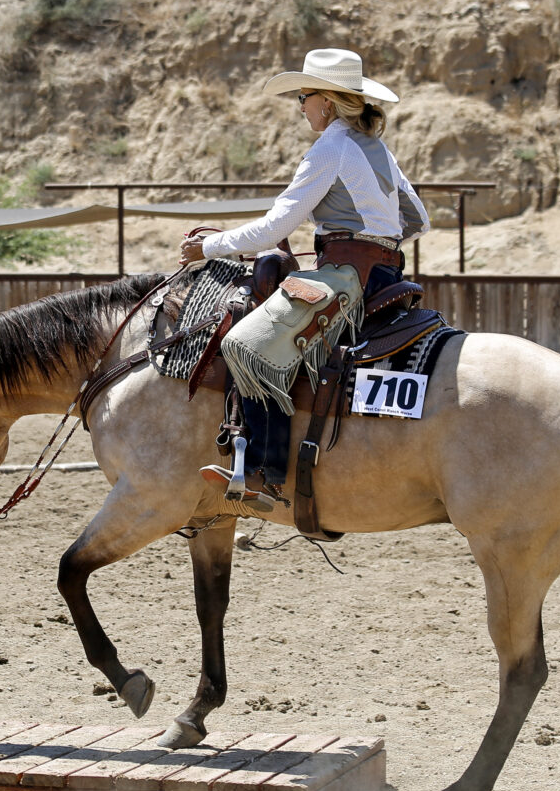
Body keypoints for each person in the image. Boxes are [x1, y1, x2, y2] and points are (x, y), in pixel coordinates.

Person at [179, 48, 430, 507]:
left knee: (245, 345)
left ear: (328, 103)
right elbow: (418, 219)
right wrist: (378, 239)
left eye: (304, 96)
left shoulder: (330, 148)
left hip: (347, 276)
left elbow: (276, 228)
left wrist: (207, 247)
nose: (300, 106)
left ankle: (261, 470)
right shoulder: (375, 148)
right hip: (386, 273)